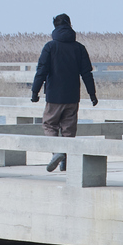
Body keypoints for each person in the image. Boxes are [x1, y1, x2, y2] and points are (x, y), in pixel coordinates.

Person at [29, 13, 97, 173]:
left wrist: (35, 91)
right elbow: (87, 73)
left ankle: (57, 152)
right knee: (68, 129)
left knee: (49, 124)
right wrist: (92, 94)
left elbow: (41, 71)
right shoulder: (79, 48)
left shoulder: (50, 47)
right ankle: (65, 158)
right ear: (70, 25)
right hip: (73, 97)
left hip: (54, 96)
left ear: (55, 27)